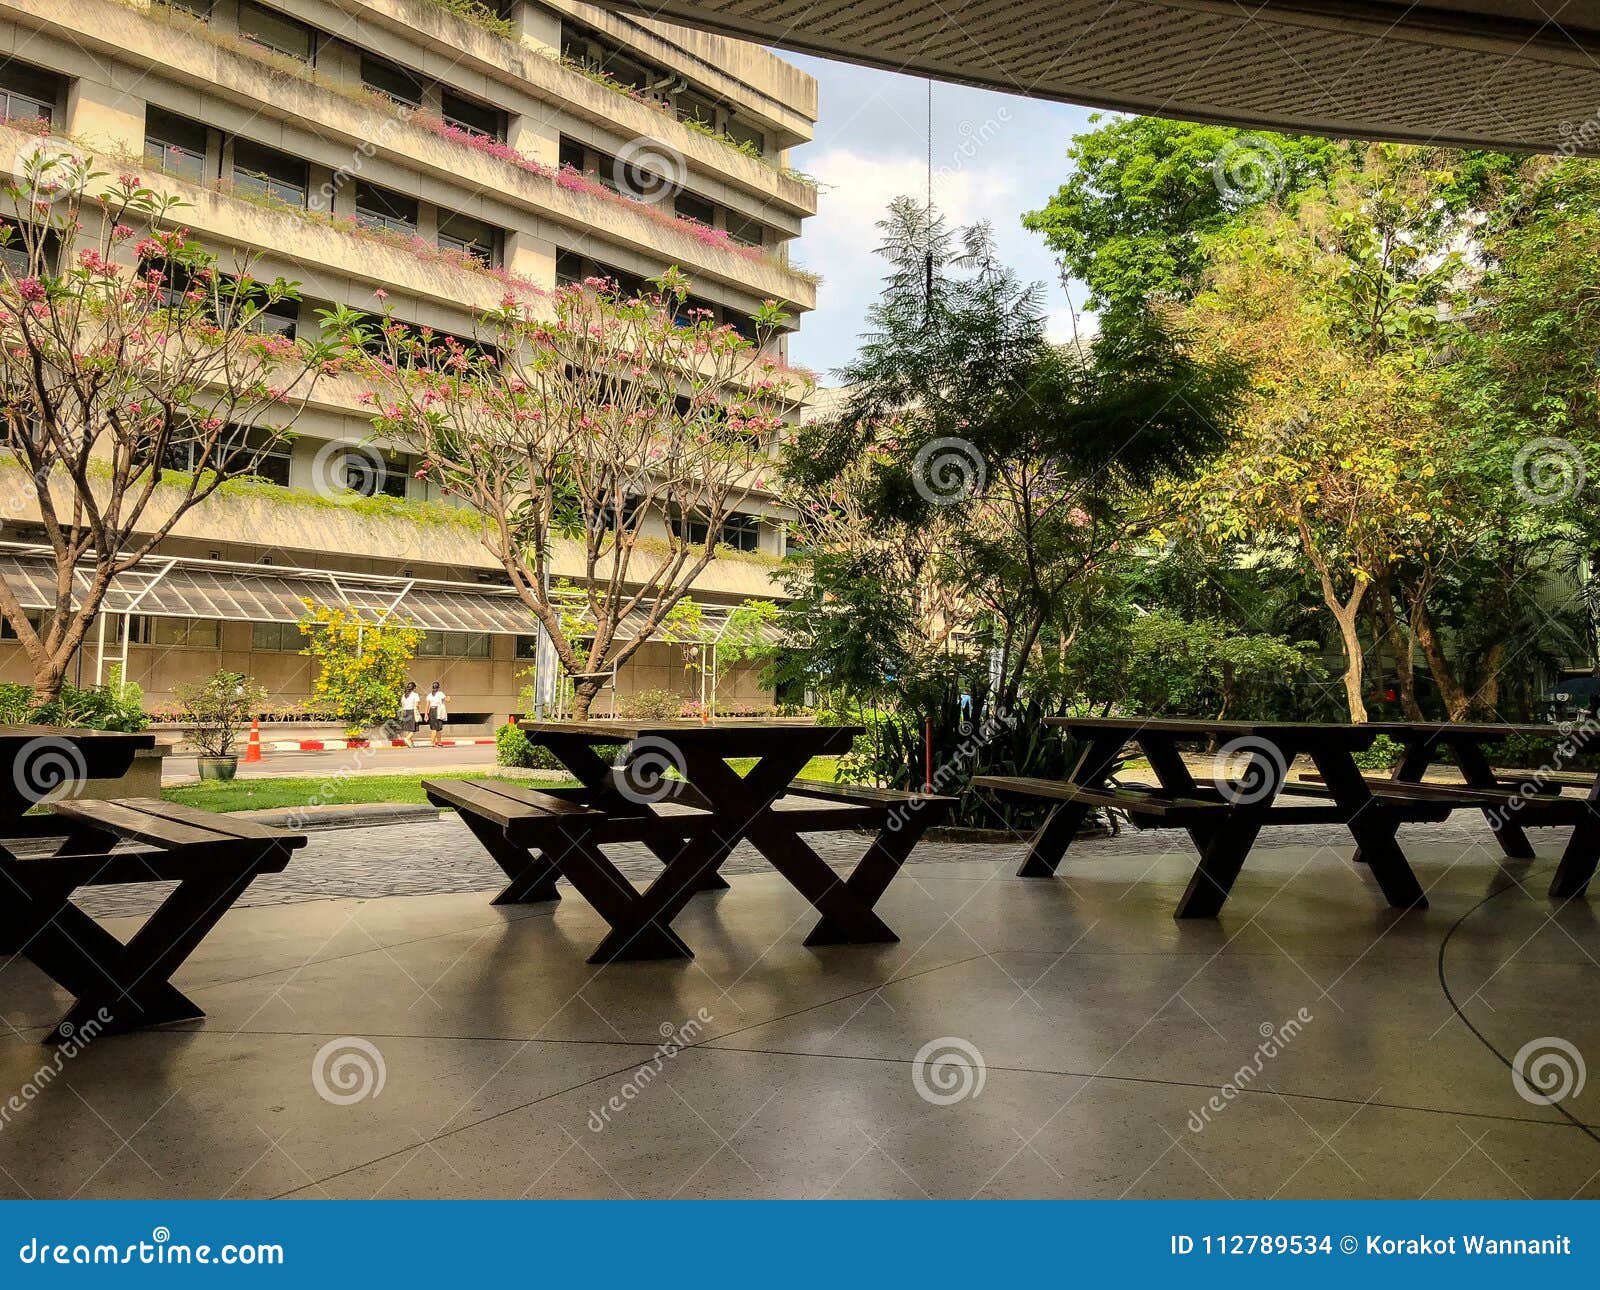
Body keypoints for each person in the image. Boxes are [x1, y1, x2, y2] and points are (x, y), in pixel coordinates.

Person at [426, 681, 449, 746]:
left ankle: (439, 742)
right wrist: (448, 697)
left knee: (437, 728)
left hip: (431, 711)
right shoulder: (440, 693)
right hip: (438, 711)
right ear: (438, 687)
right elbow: (447, 700)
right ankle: (432, 742)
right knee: (436, 728)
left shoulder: (429, 695)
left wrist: (426, 714)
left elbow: (427, 705)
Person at [398, 680, 420, 748]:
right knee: (413, 728)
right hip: (412, 711)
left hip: (405, 712)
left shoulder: (404, 695)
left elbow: (402, 704)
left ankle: (410, 742)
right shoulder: (415, 695)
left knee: (408, 728)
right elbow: (416, 705)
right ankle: (407, 739)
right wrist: (417, 712)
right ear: (414, 688)